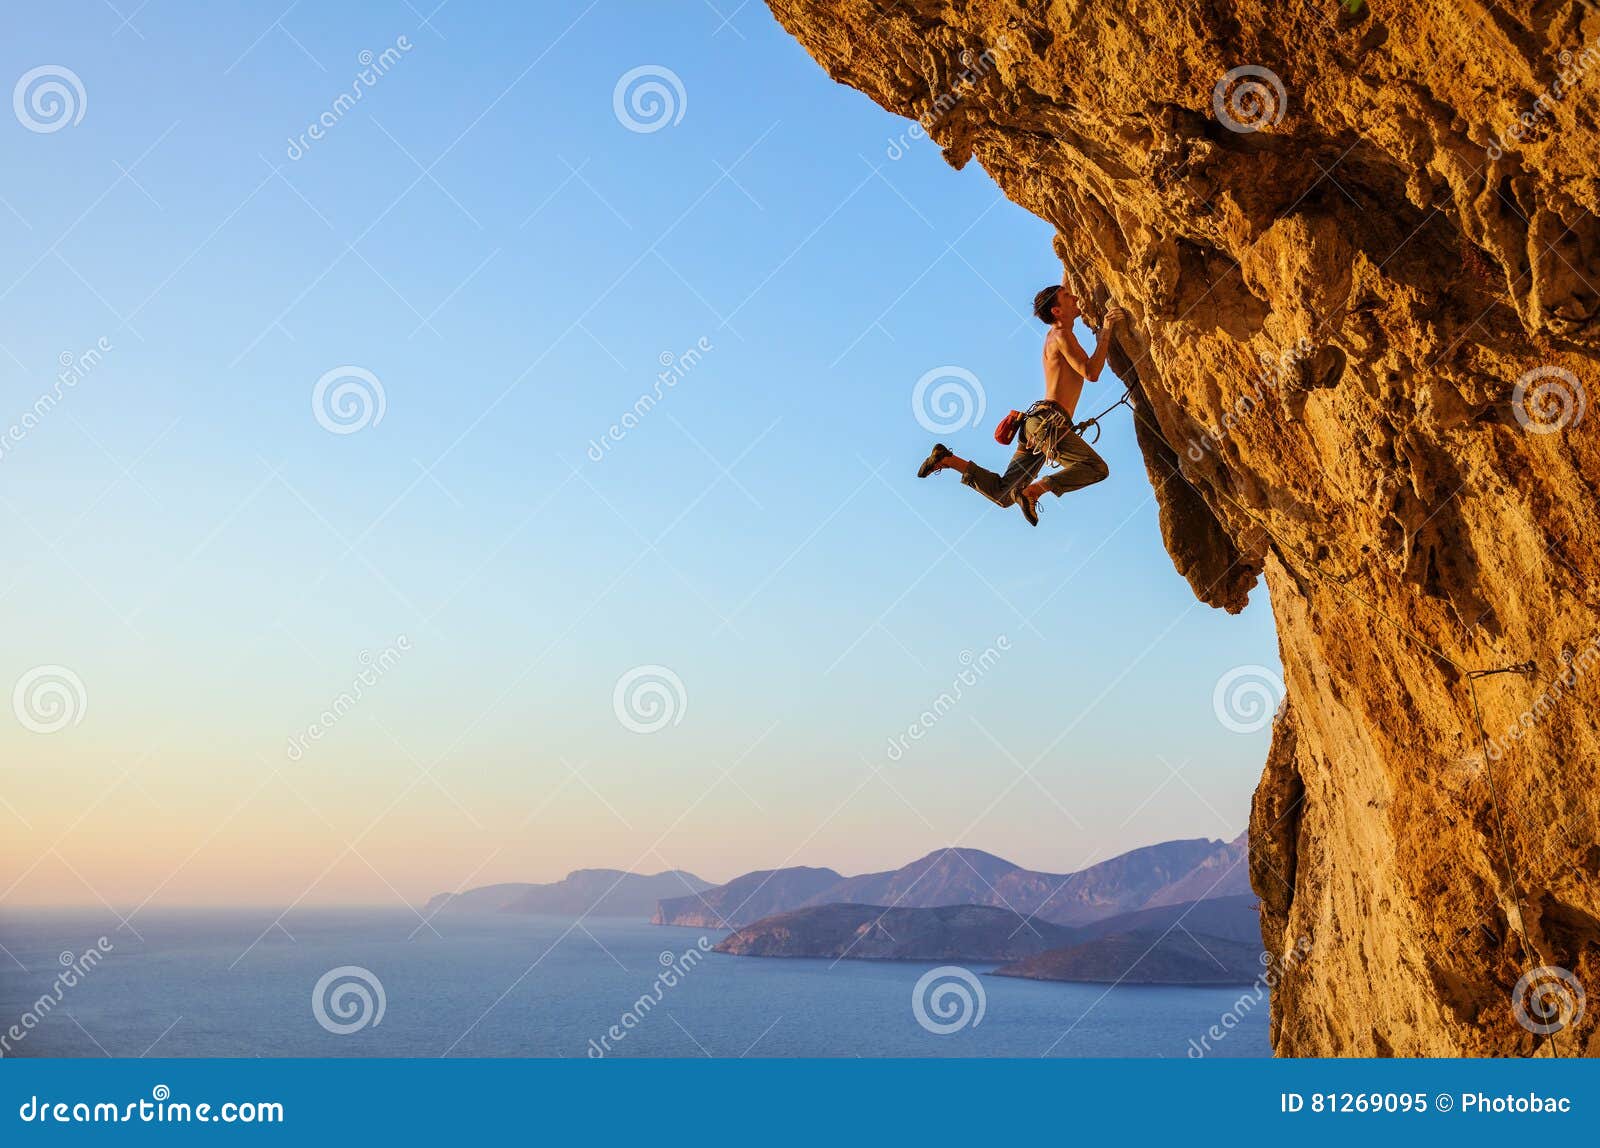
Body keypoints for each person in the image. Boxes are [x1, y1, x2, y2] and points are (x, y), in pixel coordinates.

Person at [916, 281, 1127, 526]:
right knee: (1095, 468)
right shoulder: (1060, 334)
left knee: (1004, 494)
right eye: (1068, 297)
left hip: (1037, 425)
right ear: (1056, 311)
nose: (1075, 298)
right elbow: (1091, 372)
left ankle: (948, 460)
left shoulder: (1054, 334)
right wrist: (1107, 332)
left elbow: (1063, 285)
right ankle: (1034, 491)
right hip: (1048, 424)